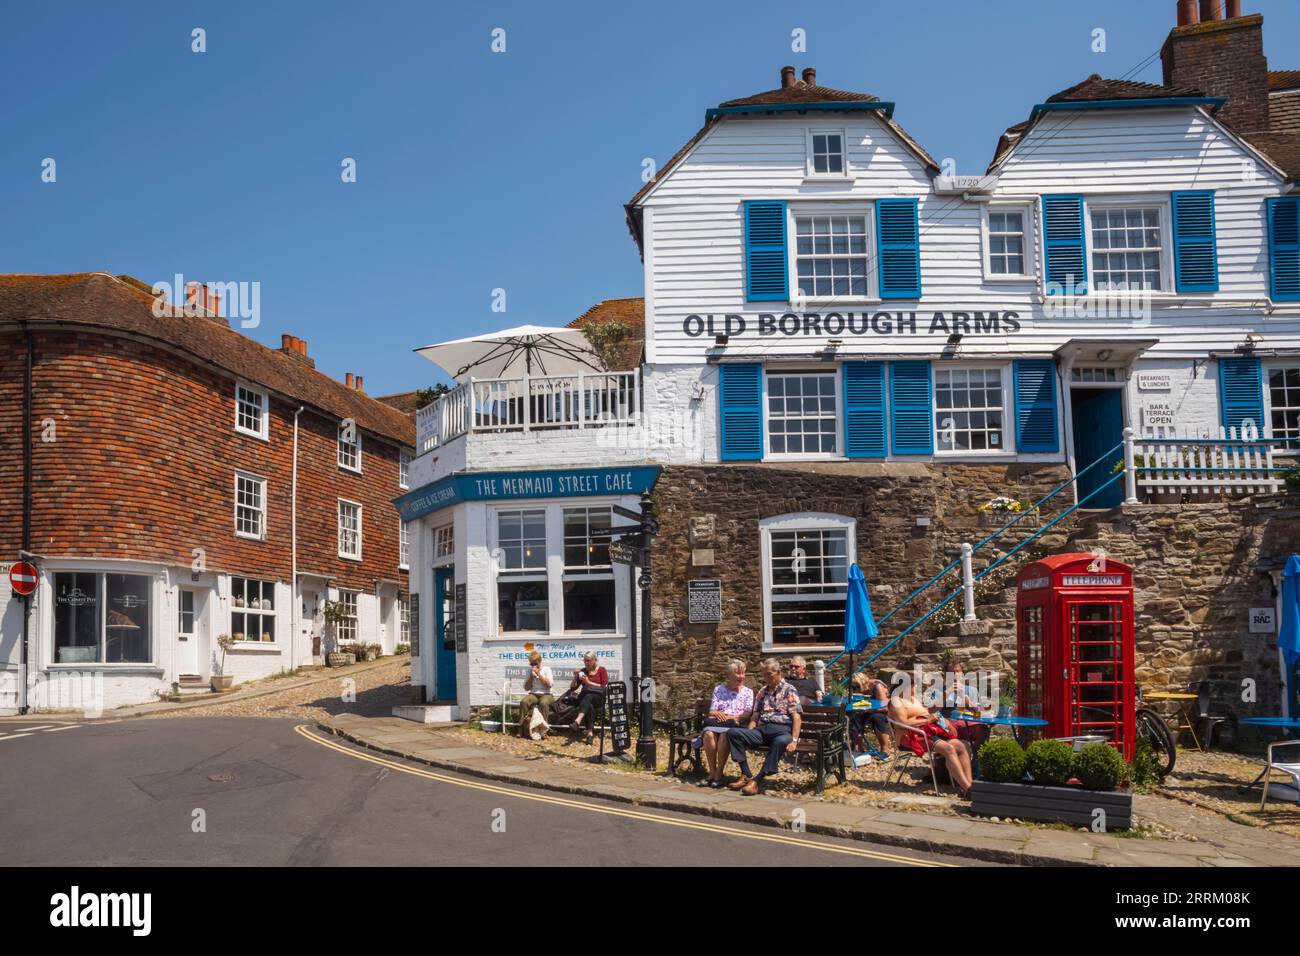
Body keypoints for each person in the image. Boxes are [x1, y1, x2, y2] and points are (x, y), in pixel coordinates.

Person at [727, 659, 802, 796]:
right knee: (733, 733)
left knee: (780, 742)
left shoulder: (789, 690)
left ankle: (757, 781)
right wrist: (749, 732)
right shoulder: (763, 692)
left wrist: (795, 740)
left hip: (782, 731)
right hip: (762, 730)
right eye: (764, 675)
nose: (766, 678)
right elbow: (755, 716)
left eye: (769, 674)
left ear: (778, 673)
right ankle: (746, 775)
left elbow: (796, 717)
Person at [888, 682, 975, 797]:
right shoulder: (896, 702)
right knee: (948, 749)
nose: (916, 688)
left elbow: (929, 711)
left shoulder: (913, 699)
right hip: (911, 737)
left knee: (962, 745)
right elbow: (902, 723)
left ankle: (969, 786)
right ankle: (967, 788)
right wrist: (927, 721)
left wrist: (947, 694)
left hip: (926, 733)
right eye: (913, 685)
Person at [700, 660, 754, 788]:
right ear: (729, 675)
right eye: (737, 673)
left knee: (725, 735)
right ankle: (712, 772)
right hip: (717, 723)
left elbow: (747, 714)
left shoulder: (748, 692)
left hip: (734, 725)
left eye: (743, 673)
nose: (741, 676)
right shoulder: (719, 689)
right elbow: (712, 711)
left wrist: (728, 717)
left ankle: (719, 774)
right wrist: (718, 714)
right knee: (708, 734)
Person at [848, 670, 894, 756]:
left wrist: (869, 710)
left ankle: (885, 749)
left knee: (877, 717)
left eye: (856, 686)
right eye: (853, 687)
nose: (855, 689)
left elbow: (885, 707)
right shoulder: (861, 690)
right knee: (855, 716)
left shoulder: (877, 686)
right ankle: (858, 748)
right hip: (868, 711)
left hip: (882, 711)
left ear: (861, 682)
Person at [569, 651, 609, 744]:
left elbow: (604, 686)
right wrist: (575, 676)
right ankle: (589, 734)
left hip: (599, 698)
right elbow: (572, 688)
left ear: (594, 660)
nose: (586, 663)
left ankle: (578, 721)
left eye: (588, 660)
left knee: (588, 696)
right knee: (589, 704)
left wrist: (588, 682)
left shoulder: (602, 670)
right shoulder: (583, 671)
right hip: (586, 699)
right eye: (584, 661)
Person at [517, 651, 554, 739]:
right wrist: (531, 677)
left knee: (543, 703)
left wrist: (539, 675)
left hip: (547, 694)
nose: (533, 665)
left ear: (540, 661)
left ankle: (543, 730)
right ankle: (521, 729)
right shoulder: (529, 671)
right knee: (524, 701)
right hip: (534, 694)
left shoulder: (547, 669)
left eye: (535, 663)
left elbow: (549, 685)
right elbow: (526, 688)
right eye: (531, 664)